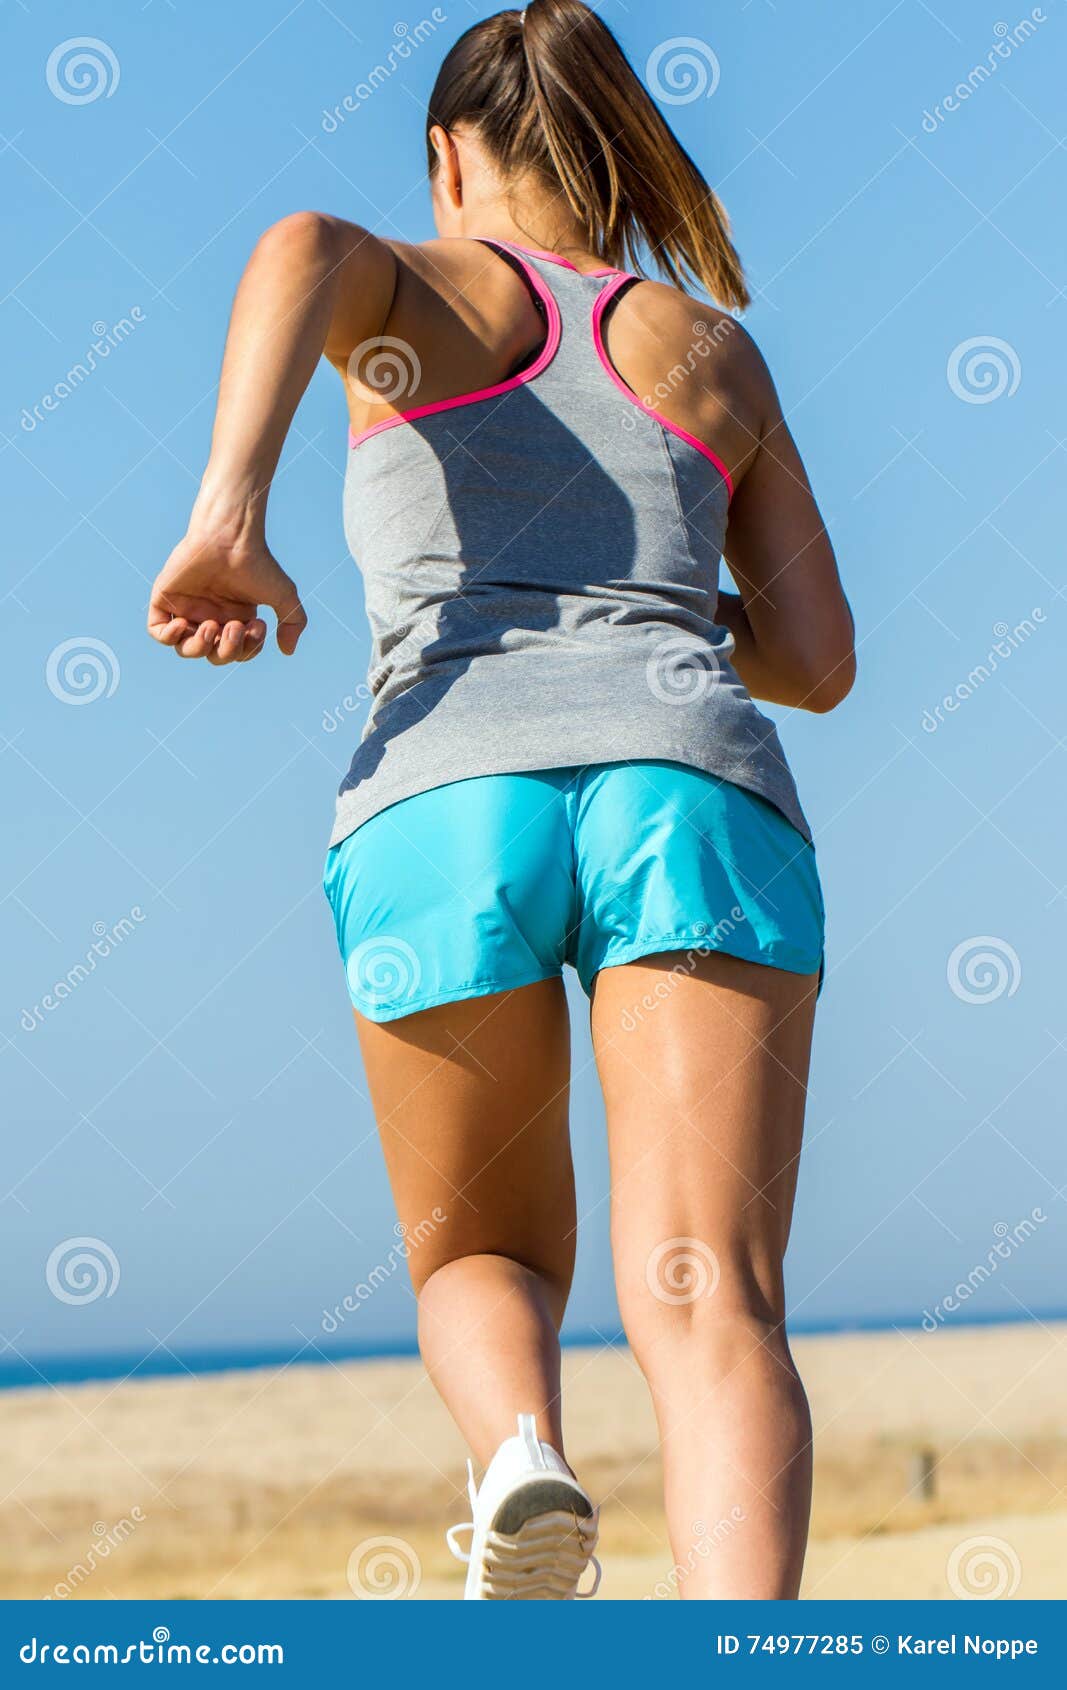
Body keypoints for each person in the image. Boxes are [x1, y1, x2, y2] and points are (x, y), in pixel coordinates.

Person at [148, 0, 855, 1601]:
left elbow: (303, 241)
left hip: (443, 793)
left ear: (444, 157)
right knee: (715, 1300)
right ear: (614, 157)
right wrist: (648, 615)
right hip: (690, 783)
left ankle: (524, 1457)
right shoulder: (710, 350)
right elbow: (819, 652)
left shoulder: (415, 278)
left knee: (482, 1251)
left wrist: (227, 516)